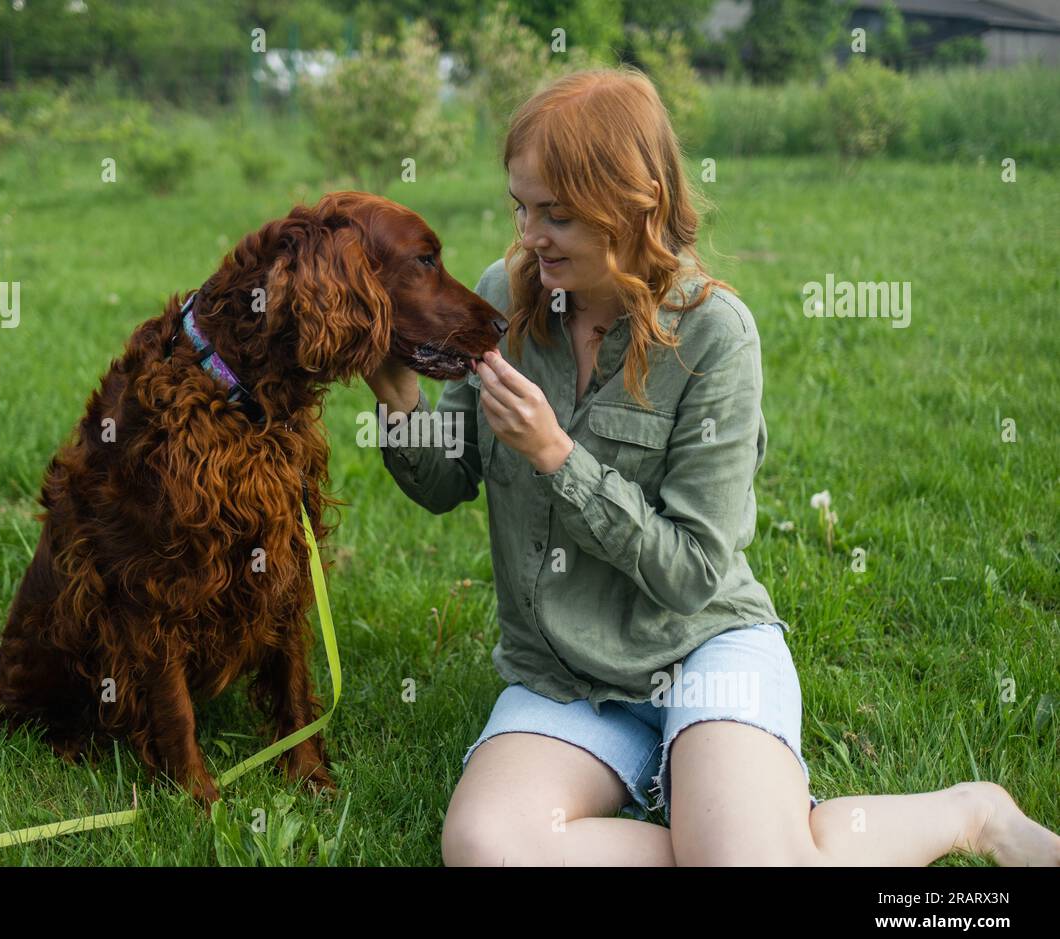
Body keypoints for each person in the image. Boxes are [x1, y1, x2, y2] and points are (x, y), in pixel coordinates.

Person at [363, 66, 1060, 866]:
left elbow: (694, 572)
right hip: (563, 674)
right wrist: (398, 401)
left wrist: (558, 456)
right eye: (521, 207)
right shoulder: (507, 299)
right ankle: (725, 838)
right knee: (489, 849)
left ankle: (970, 814)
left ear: (636, 206)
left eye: (557, 215)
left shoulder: (715, 336)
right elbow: (447, 481)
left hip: (700, 647)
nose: (528, 237)